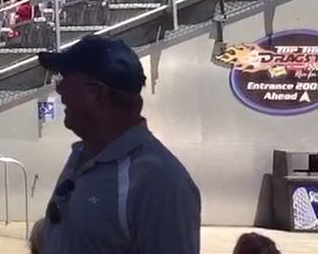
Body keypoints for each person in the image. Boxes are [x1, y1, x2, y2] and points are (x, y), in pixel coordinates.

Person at [33, 35, 200, 254]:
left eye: (64, 80)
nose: (60, 90)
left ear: (96, 94)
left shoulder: (160, 182)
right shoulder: (82, 154)